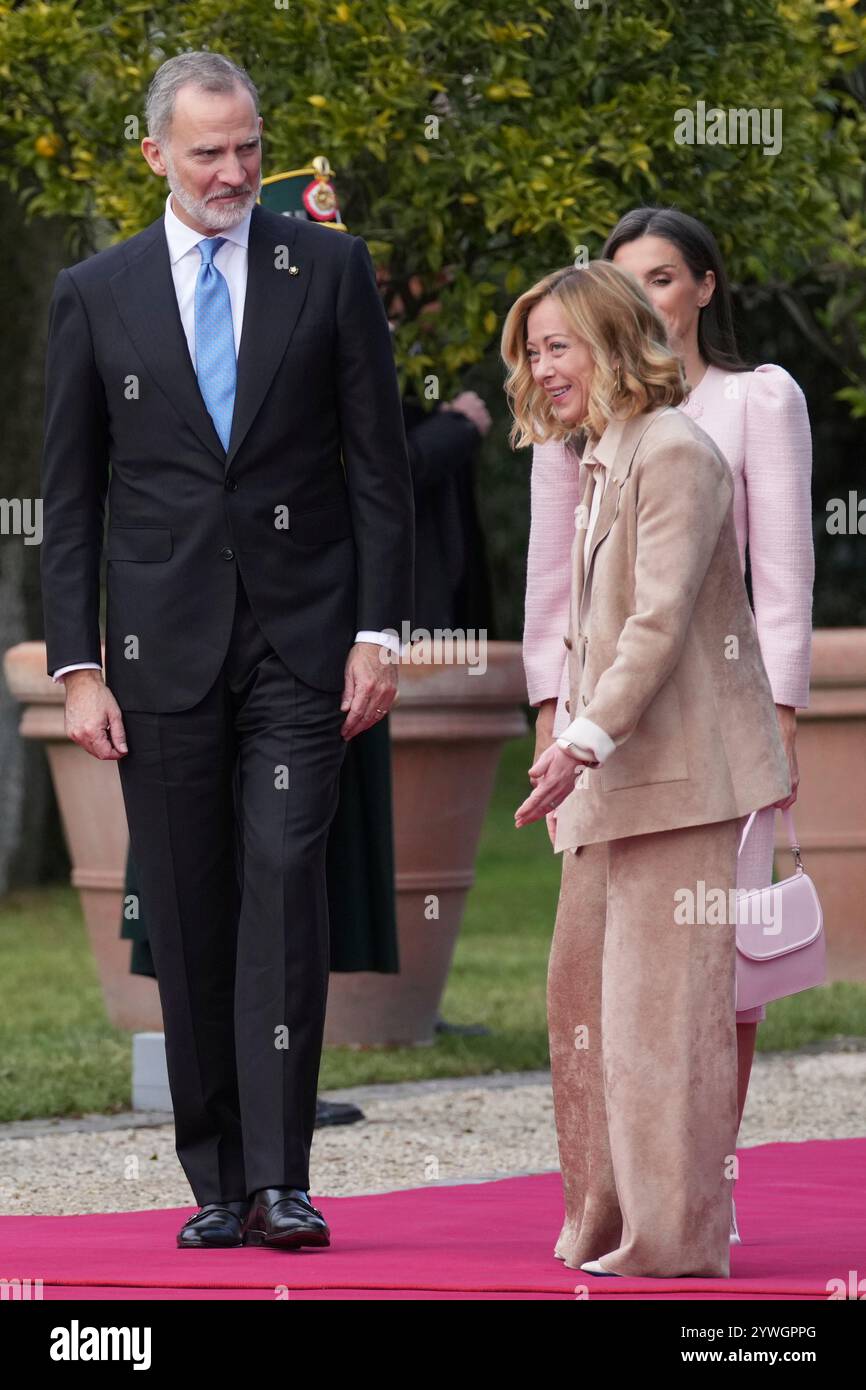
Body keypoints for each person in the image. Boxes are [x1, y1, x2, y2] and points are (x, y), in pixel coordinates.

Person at [40, 52, 414, 1250]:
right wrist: (78, 665)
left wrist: (372, 631)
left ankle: (281, 1173)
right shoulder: (95, 293)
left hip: (303, 649)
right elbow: (71, 498)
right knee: (192, 909)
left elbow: (380, 468)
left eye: (248, 146)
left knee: (284, 889)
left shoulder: (331, 268)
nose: (234, 171)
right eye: (207, 151)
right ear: (154, 153)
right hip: (158, 655)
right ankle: (212, 1180)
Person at [506, 260, 790, 1277]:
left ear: (615, 343)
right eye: (532, 350)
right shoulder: (602, 454)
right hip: (612, 781)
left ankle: (669, 1245)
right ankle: (607, 1222)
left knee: (658, 1024)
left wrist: (579, 738)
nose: (540, 368)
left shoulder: (672, 451)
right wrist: (574, 740)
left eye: (557, 346)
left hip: (677, 784)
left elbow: (657, 624)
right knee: (584, 1008)